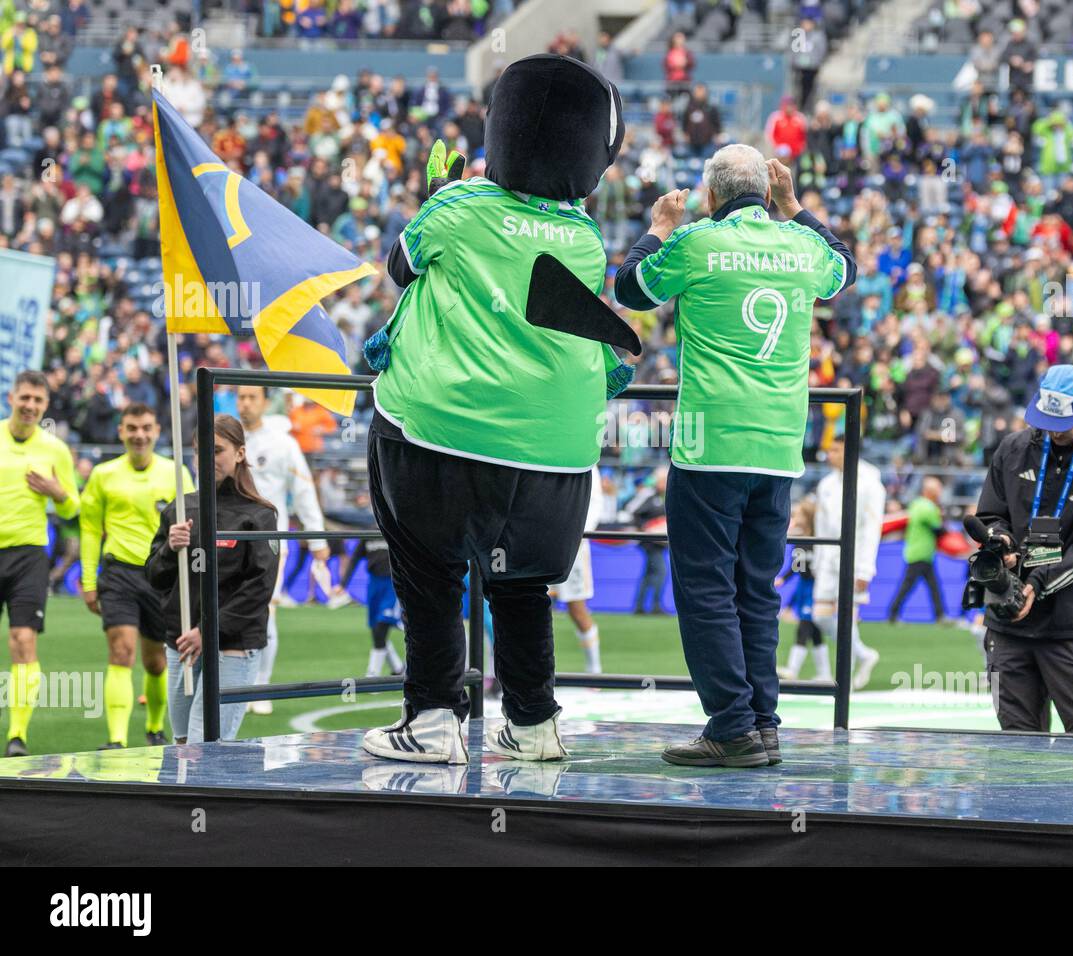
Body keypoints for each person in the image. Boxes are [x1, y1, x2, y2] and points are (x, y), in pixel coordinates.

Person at [360, 57, 628, 764]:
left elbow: (401, 266)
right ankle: (534, 725)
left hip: (438, 433)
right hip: (553, 452)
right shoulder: (587, 238)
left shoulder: (458, 208)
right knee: (522, 586)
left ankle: (433, 720)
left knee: (429, 576)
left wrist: (440, 195)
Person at [614, 144, 856, 767]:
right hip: (778, 449)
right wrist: (796, 208)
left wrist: (658, 227)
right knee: (757, 589)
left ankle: (731, 726)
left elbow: (630, 288)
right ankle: (763, 725)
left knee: (705, 588)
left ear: (711, 195)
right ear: (767, 192)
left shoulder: (695, 242)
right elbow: (845, 267)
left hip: (709, 444)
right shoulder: (800, 245)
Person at [973, 364, 1073, 734]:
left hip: (1071, 624)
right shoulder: (1013, 448)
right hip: (1009, 620)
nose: (1053, 432)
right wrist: (1001, 541)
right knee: (1017, 744)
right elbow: (990, 516)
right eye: (1046, 421)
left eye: (1062, 423)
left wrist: (1039, 582)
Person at [145, 414, 279, 743]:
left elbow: (259, 589)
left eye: (216, 450)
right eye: (198, 451)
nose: (206, 459)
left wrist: (208, 631)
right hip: (182, 641)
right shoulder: (179, 509)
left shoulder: (260, 515)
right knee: (181, 743)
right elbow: (154, 577)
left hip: (233, 644)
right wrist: (169, 550)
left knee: (203, 745)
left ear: (240, 453)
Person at [79, 403, 194, 749]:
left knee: (156, 662)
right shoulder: (103, 475)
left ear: (157, 431)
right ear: (121, 432)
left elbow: (193, 526)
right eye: (132, 428)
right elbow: (89, 529)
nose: (139, 435)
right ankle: (116, 741)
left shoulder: (176, 473)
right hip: (118, 573)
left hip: (162, 575)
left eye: (146, 428)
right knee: (121, 651)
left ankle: (155, 730)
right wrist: (88, 581)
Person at [0, 371, 80, 757]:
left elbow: (72, 508)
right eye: (25, 398)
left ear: (46, 405)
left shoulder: (55, 450)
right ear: (11, 398)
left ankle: (17, 736)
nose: (30, 406)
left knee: (23, 640)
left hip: (28, 555)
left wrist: (56, 492)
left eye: (37, 400)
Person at [235, 385, 329, 715]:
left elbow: (303, 490)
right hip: (228, 541)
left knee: (265, 613)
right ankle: (234, 685)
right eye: (241, 397)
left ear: (265, 402)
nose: (245, 403)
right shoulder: (226, 440)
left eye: (252, 397)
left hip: (270, 543)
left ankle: (261, 686)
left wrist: (318, 540)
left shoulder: (283, 443)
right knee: (227, 612)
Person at [811, 435, 886, 688]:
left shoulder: (870, 483)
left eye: (836, 450)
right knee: (820, 616)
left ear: (849, 451)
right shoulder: (826, 484)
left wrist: (865, 568)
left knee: (847, 617)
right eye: (829, 449)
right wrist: (818, 559)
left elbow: (872, 528)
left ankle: (846, 681)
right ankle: (863, 654)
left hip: (854, 557)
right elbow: (821, 525)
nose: (830, 454)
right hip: (828, 557)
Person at [548, 464, 604, 674]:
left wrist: (579, 533)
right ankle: (535, 673)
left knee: (577, 609)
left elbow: (595, 501)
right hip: (540, 540)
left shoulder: (587, 458)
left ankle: (594, 671)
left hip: (574, 545)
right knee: (530, 608)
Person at [334, 536, 405, 678]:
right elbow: (355, 558)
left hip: (392, 583)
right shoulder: (368, 534)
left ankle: (372, 674)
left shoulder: (395, 530)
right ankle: (398, 668)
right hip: (374, 584)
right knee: (375, 629)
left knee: (381, 626)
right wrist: (343, 584)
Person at [887, 477, 948, 624]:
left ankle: (940, 615)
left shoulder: (916, 504)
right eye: (938, 489)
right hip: (921, 553)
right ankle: (893, 614)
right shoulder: (928, 507)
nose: (940, 493)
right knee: (910, 585)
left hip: (918, 552)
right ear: (930, 491)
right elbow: (940, 530)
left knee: (930, 585)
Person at [776, 497, 823, 680]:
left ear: (808, 517)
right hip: (804, 587)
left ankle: (793, 670)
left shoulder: (820, 540)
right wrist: (783, 579)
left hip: (816, 588)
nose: (796, 518)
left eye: (799, 515)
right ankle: (824, 673)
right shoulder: (799, 540)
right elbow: (797, 567)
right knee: (815, 631)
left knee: (805, 626)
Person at [623, 468, 667, 615]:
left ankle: (639, 606)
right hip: (649, 542)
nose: (665, 484)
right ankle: (655, 605)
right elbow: (631, 509)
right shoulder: (648, 494)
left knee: (648, 574)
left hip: (659, 542)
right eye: (663, 481)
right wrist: (644, 527)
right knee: (661, 572)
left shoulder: (662, 496)